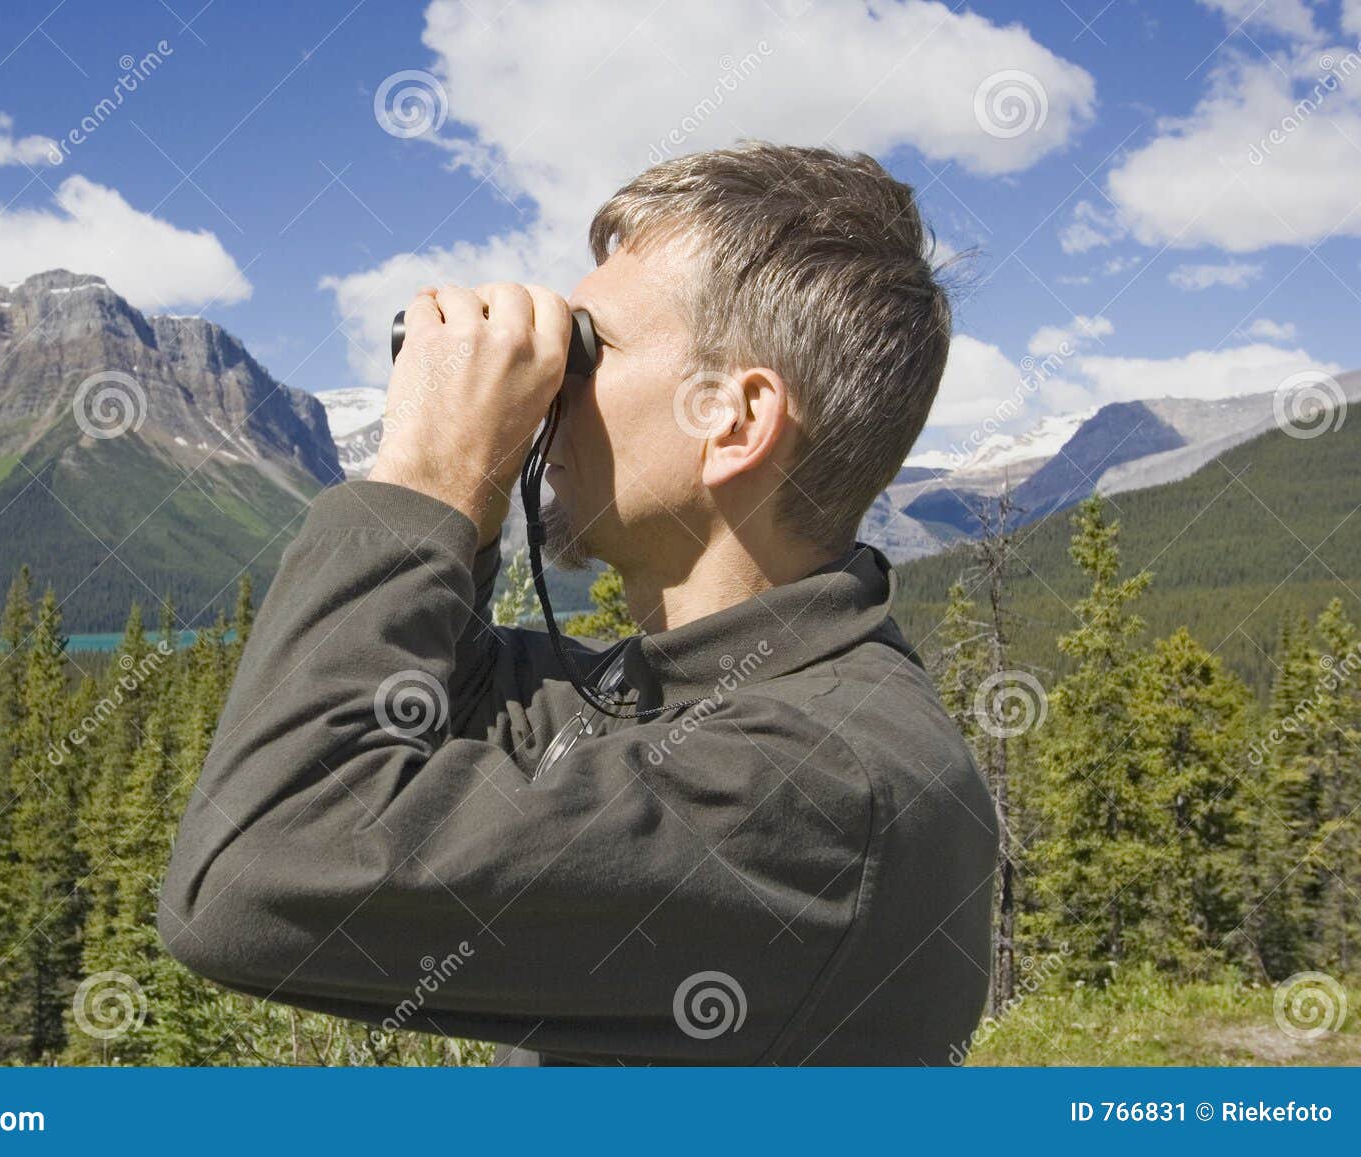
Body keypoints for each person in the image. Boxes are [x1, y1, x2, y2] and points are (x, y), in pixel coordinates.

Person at [159, 142, 998, 1065]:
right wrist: (469, 497)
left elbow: (253, 873)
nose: (550, 387)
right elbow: (448, 705)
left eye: (586, 351)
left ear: (737, 419)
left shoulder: (815, 783)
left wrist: (426, 473)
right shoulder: (709, 691)